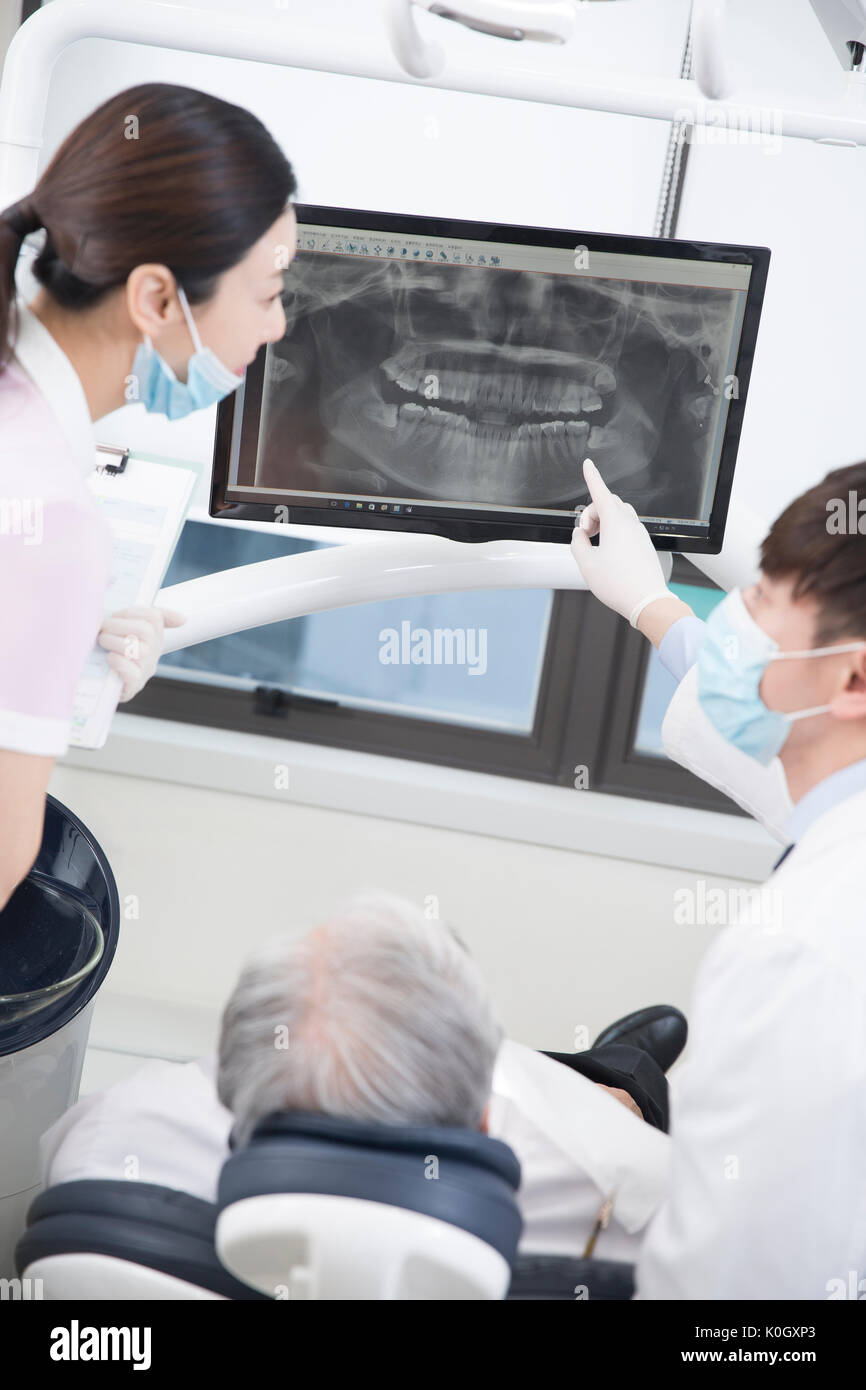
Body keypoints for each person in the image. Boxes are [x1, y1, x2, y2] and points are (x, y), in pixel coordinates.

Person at [571, 455, 866, 1299]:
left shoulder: (807, 953)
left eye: (764, 601)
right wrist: (648, 603)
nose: (734, 615)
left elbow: (732, 1297)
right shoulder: (837, 798)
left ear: (852, 679)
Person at [0, 81, 297, 909]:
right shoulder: (52, 520)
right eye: (269, 294)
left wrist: (59, 639)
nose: (277, 327)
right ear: (158, 299)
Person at [39, 893, 675, 1267]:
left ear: (231, 1082)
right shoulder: (608, 1178)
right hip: (586, 1120)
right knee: (619, 1086)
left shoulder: (118, 1129)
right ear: (484, 1118)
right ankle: (614, 1066)